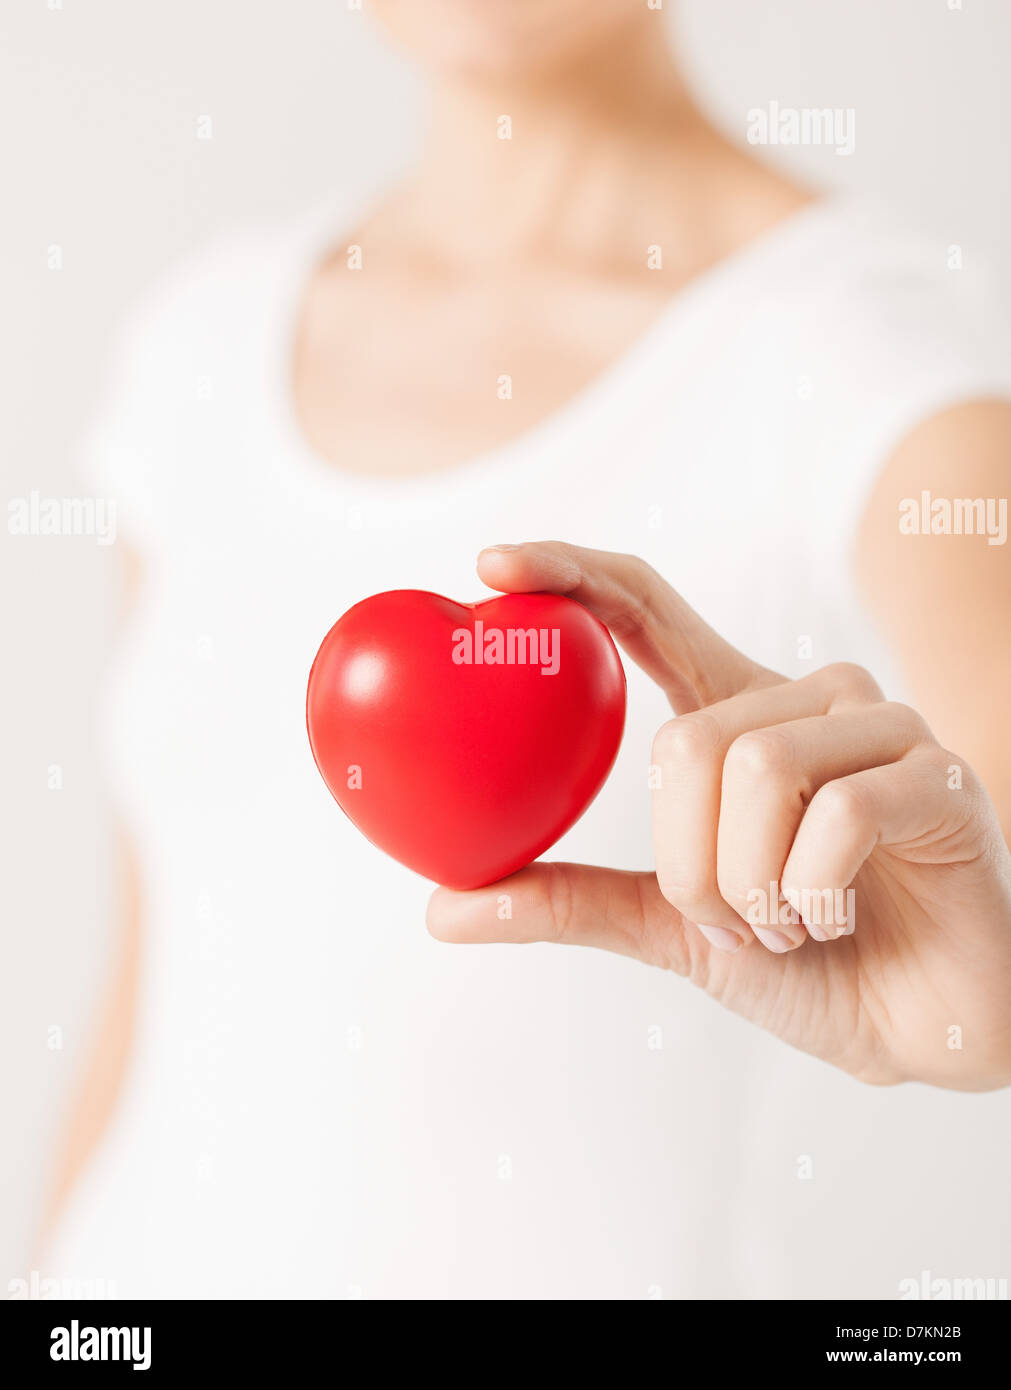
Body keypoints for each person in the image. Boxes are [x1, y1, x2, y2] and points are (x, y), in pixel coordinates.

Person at [44, 0, 1011, 1298]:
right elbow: (153, 987)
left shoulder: (873, 369)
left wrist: (972, 1008)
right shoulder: (198, 346)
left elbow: (979, 904)